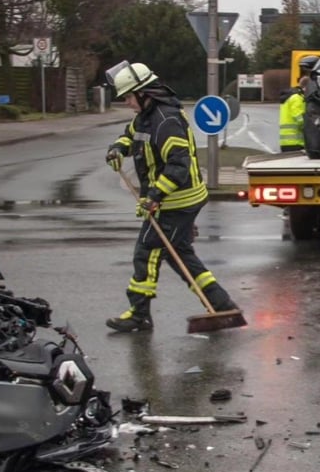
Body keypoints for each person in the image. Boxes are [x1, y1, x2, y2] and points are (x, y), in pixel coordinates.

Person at [102, 60, 239, 333]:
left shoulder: (167, 121)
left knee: (147, 251)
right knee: (179, 255)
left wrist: (153, 196)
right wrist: (118, 148)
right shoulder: (146, 116)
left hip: (179, 202)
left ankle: (139, 314)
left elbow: (178, 167)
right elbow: (131, 136)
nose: (128, 103)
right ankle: (222, 306)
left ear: (144, 93)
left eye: (129, 97)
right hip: (174, 200)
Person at [278, 76, 308, 152]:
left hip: (287, 142)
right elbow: (300, 119)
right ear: (306, 88)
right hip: (295, 142)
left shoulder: (290, 97)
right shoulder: (297, 98)